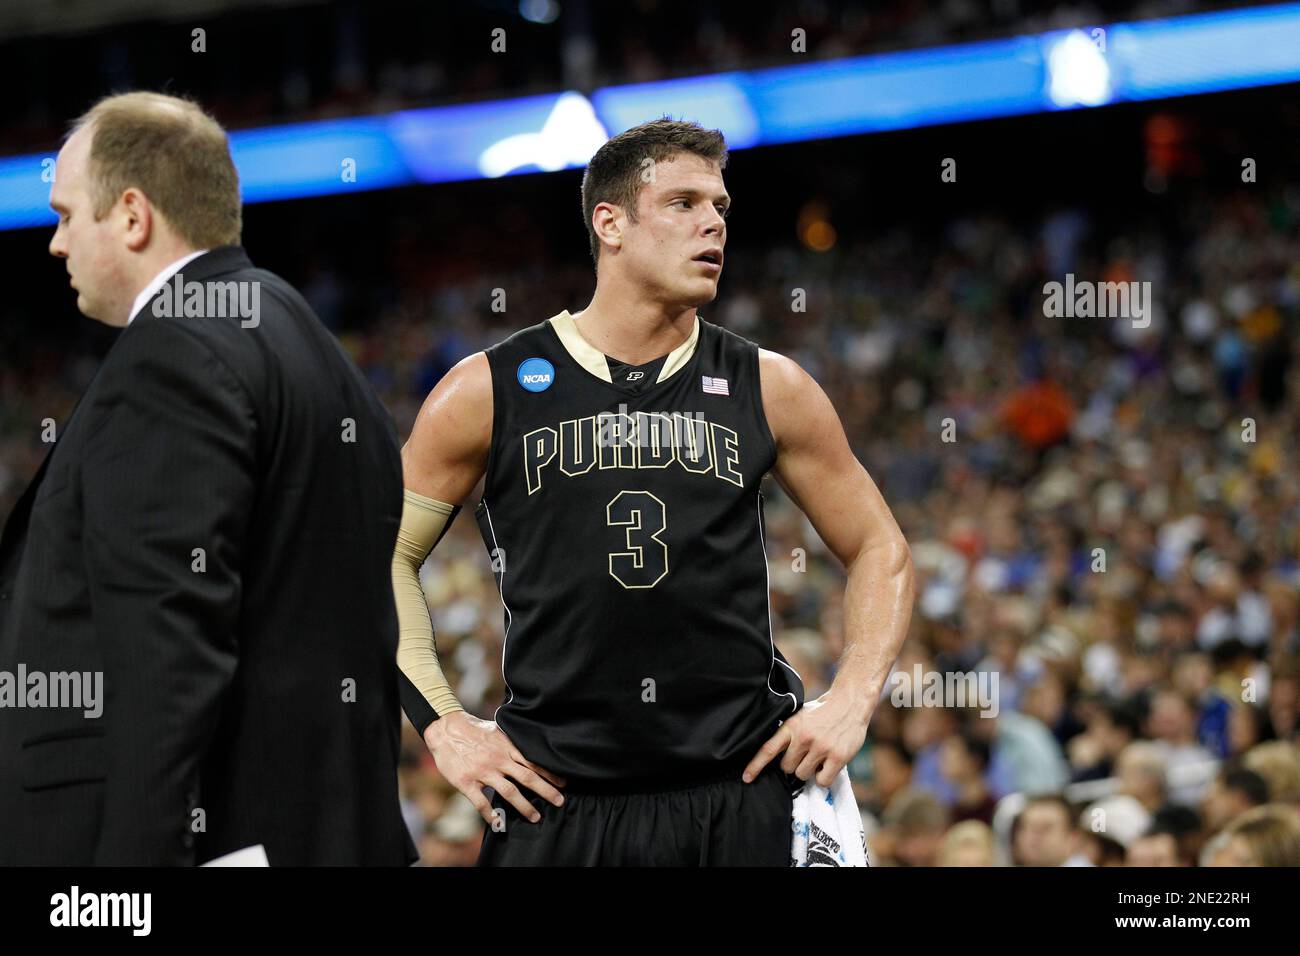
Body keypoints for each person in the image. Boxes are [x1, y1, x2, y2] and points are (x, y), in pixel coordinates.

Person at [392, 118, 914, 865]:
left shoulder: (770, 385)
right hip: (556, 799)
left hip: (739, 790)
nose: (713, 224)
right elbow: (383, 556)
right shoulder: (487, 389)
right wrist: (443, 725)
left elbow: (879, 547)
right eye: (683, 203)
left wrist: (853, 699)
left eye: (721, 208)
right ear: (610, 223)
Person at [0, 92, 414, 865]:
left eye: (64, 215)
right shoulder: (315, 350)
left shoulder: (172, 354)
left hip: (220, 845)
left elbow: (166, 653)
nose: (55, 243)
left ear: (131, 215)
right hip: (333, 831)